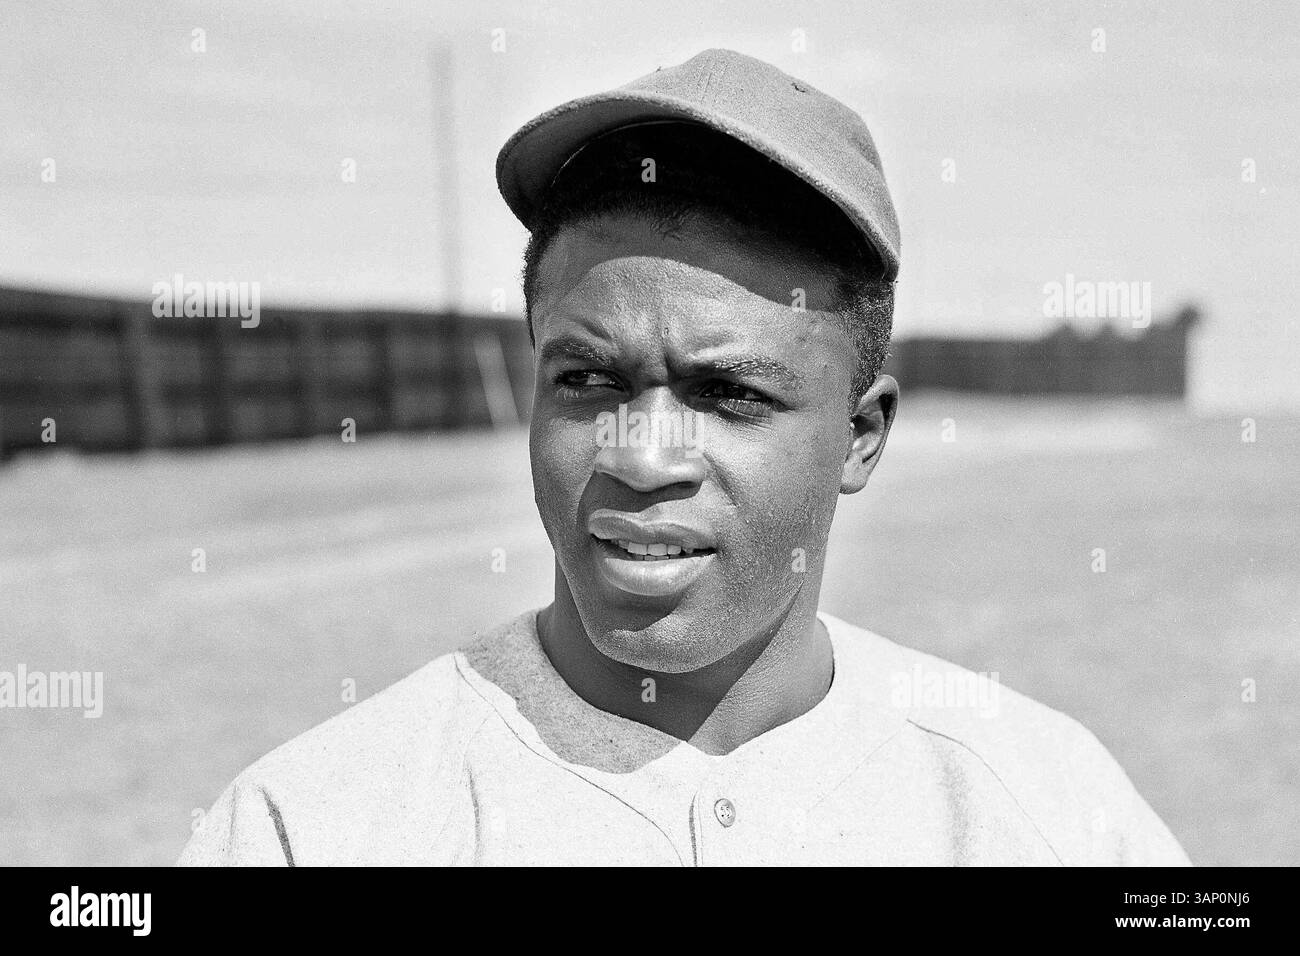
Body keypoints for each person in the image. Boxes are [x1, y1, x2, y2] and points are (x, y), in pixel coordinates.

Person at [179, 48, 1189, 866]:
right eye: (588, 380)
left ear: (861, 434)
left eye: (729, 393)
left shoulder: (1046, 808)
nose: (642, 455)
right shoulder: (312, 826)